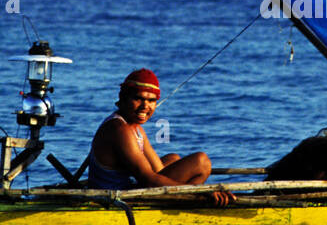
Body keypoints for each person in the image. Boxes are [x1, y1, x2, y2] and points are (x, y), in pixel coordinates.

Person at [88, 69, 235, 205]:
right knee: (201, 162)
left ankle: (186, 199)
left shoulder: (135, 129)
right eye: (138, 99)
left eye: (151, 101)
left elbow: (157, 170)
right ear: (124, 98)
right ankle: (188, 202)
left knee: (173, 158)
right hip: (115, 199)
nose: (145, 106)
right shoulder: (120, 129)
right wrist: (200, 191)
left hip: (130, 188)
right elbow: (148, 179)